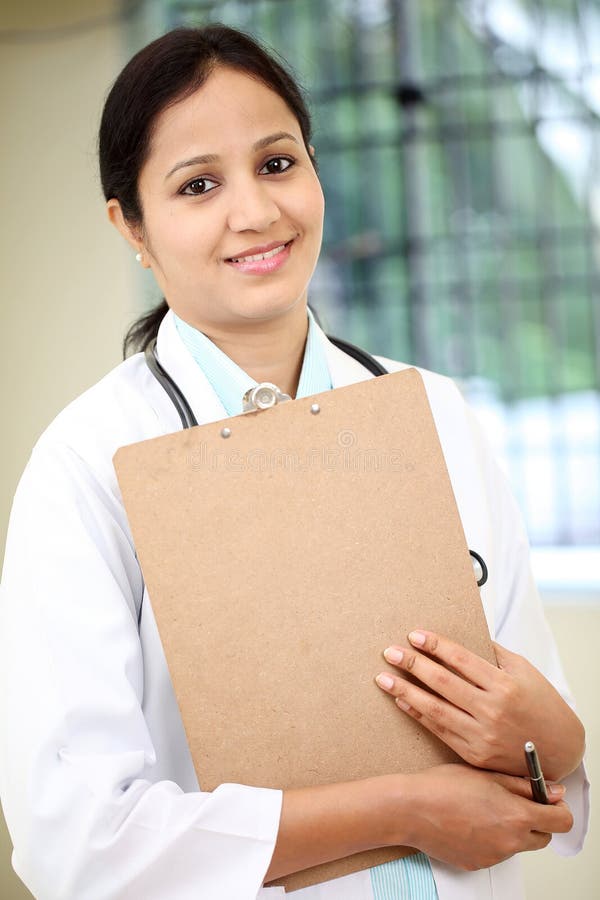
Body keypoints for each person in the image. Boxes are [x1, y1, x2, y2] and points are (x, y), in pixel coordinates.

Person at [0, 24, 588, 900]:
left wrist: (563, 746)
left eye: (277, 163)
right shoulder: (89, 464)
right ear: (132, 225)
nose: (256, 212)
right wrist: (405, 808)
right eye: (199, 185)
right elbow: (78, 842)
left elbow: (544, 768)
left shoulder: (435, 413)